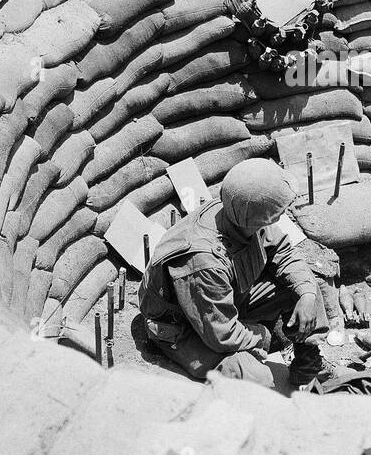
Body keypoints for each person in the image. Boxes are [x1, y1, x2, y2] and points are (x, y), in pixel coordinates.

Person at [138, 158, 328, 390]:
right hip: (183, 329)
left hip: (222, 301)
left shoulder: (244, 215)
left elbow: (283, 252)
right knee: (256, 379)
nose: (281, 216)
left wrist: (307, 294)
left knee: (303, 288)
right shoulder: (204, 262)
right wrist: (264, 336)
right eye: (278, 212)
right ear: (264, 215)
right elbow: (222, 335)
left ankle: (306, 367)